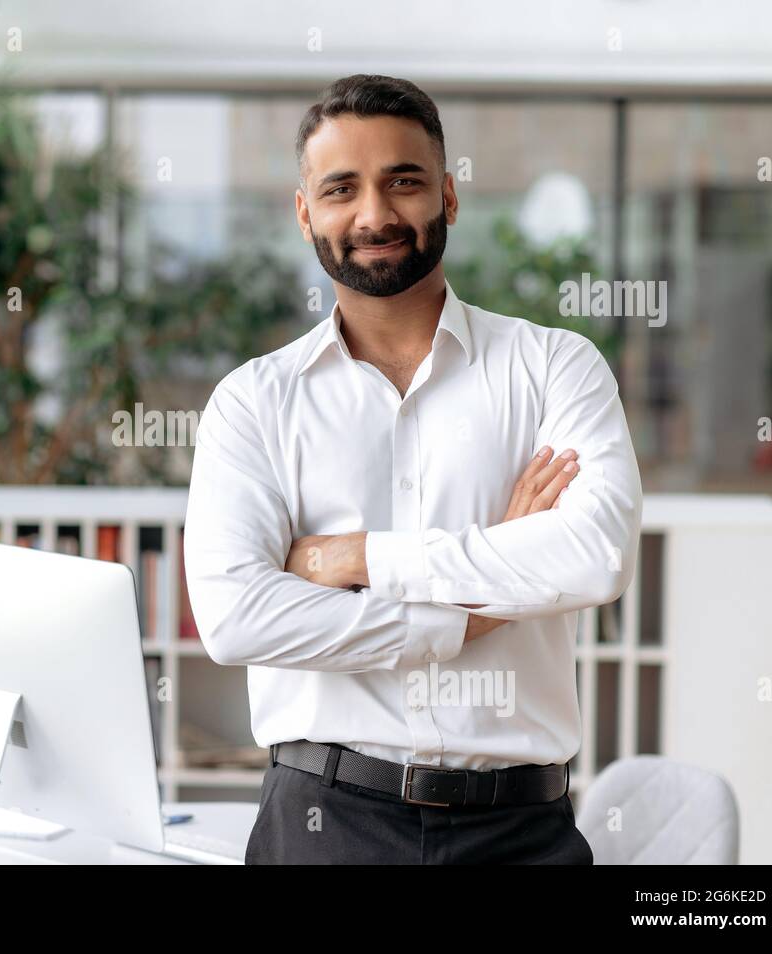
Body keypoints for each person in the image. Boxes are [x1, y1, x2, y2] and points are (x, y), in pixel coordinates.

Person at [182, 74, 643, 864]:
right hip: (323, 825)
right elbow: (236, 617)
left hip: (521, 833)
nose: (375, 215)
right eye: (341, 188)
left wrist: (357, 557)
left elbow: (595, 555)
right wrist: (475, 605)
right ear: (304, 214)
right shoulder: (254, 403)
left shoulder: (554, 368)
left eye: (404, 181)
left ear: (449, 197)